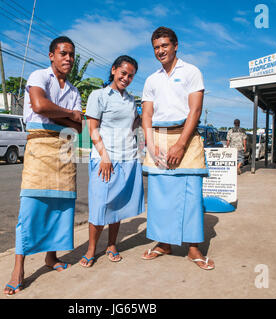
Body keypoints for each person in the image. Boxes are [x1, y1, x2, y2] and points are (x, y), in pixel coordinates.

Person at [4, 36, 83, 295]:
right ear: (51, 55)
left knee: (60, 205)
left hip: (63, 148)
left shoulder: (74, 91)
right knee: (31, 206)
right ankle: (18, 268)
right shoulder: (39, 76)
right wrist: (69, 114)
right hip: (39, 145)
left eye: (71, 54)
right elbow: (39, 105)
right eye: (63, 53)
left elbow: (79, 126)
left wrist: (63, 115)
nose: (68, 58)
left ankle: (51, 257)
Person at [140, 26, 215, 270]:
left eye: (164, 46)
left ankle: (193, 248)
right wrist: (150, 144)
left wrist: (181, 144)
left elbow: (195, 110)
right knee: (161, 195)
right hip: (159, 139)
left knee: (191, 194)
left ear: (175, 46)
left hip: (187, 137)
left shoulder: (192, 71)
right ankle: (164, 243)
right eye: (156, 48)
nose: (160, 51)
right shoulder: (152, 79)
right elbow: (147, 114)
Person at [79, 56, 145, 268]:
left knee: (116, 205)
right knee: (99, 205)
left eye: (131, 76)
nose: (126, 78)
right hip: (104, 158)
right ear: (113, 70)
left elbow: (132, 125)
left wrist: (144, 116)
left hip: (128, 157)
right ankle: (91, 250)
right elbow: (92, 129)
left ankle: (111, 244)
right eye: (123, 73)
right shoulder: (98, 95)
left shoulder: (130, 100)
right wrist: (104, 157)